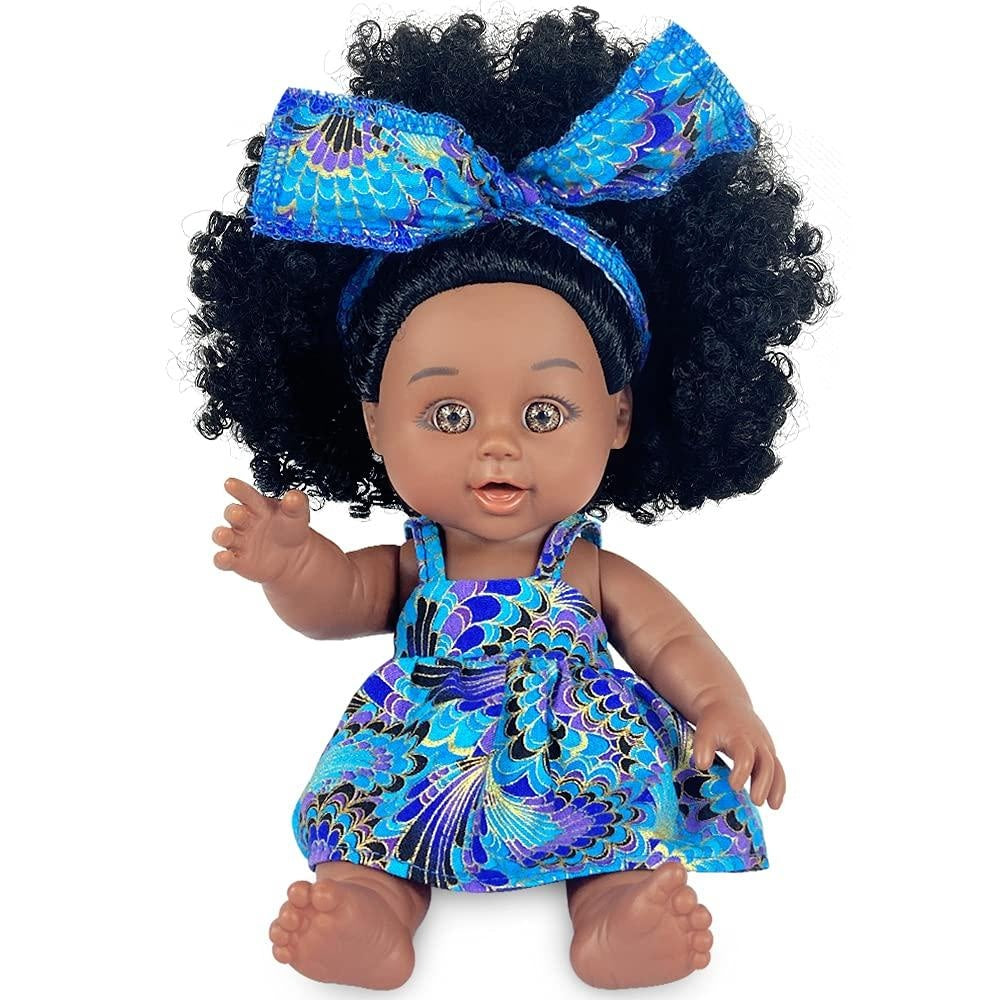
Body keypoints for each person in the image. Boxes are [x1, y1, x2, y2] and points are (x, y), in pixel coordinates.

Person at [182, 5, 836, 990]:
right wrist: (290, 565)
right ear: (372, 424)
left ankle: (615, 916)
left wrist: (720, 704)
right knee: (370, 834)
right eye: (447, 413)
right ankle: (368, 912)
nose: (497, 442)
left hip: (576, 745)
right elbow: (340, 602)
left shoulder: (588, 567)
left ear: (618, 416)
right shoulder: (415, 563)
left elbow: (668, 641)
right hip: (417, 749)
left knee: (618, 831)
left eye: (543, 412)